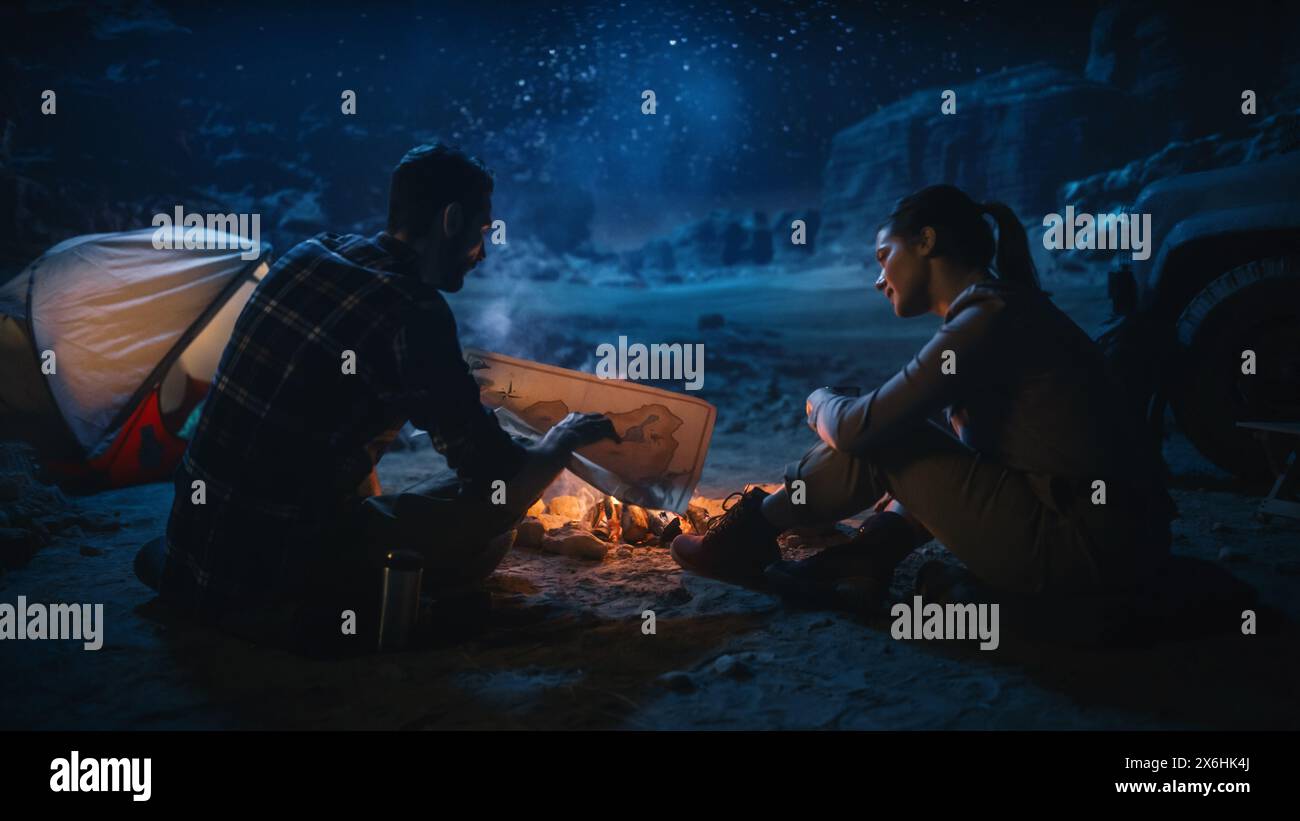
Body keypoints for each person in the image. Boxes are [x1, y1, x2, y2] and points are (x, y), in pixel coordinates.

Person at [135, 143, 617, 644]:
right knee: (493, 530)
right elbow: (498, 476)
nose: (484, 253)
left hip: (194, 544)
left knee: (413, 492)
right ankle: (335, 605)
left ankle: (239, 585)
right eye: (480, 233)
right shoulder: (413, 310)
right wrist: (562, 439)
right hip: (274, 569)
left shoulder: (307, 255)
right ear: (450, 220)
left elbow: (325, 413)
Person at [670, 184, 1174, 613]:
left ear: (927, 241)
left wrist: (818, 401)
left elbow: (857, 429)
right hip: (1116, 547)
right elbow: (960, 460)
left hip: (1082, 554)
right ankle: (863, 561)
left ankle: (745, 535)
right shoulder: (1004, 309)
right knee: (912, 433)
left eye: (884, 257)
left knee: (888, 434)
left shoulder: (989, 317)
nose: (877, 278)